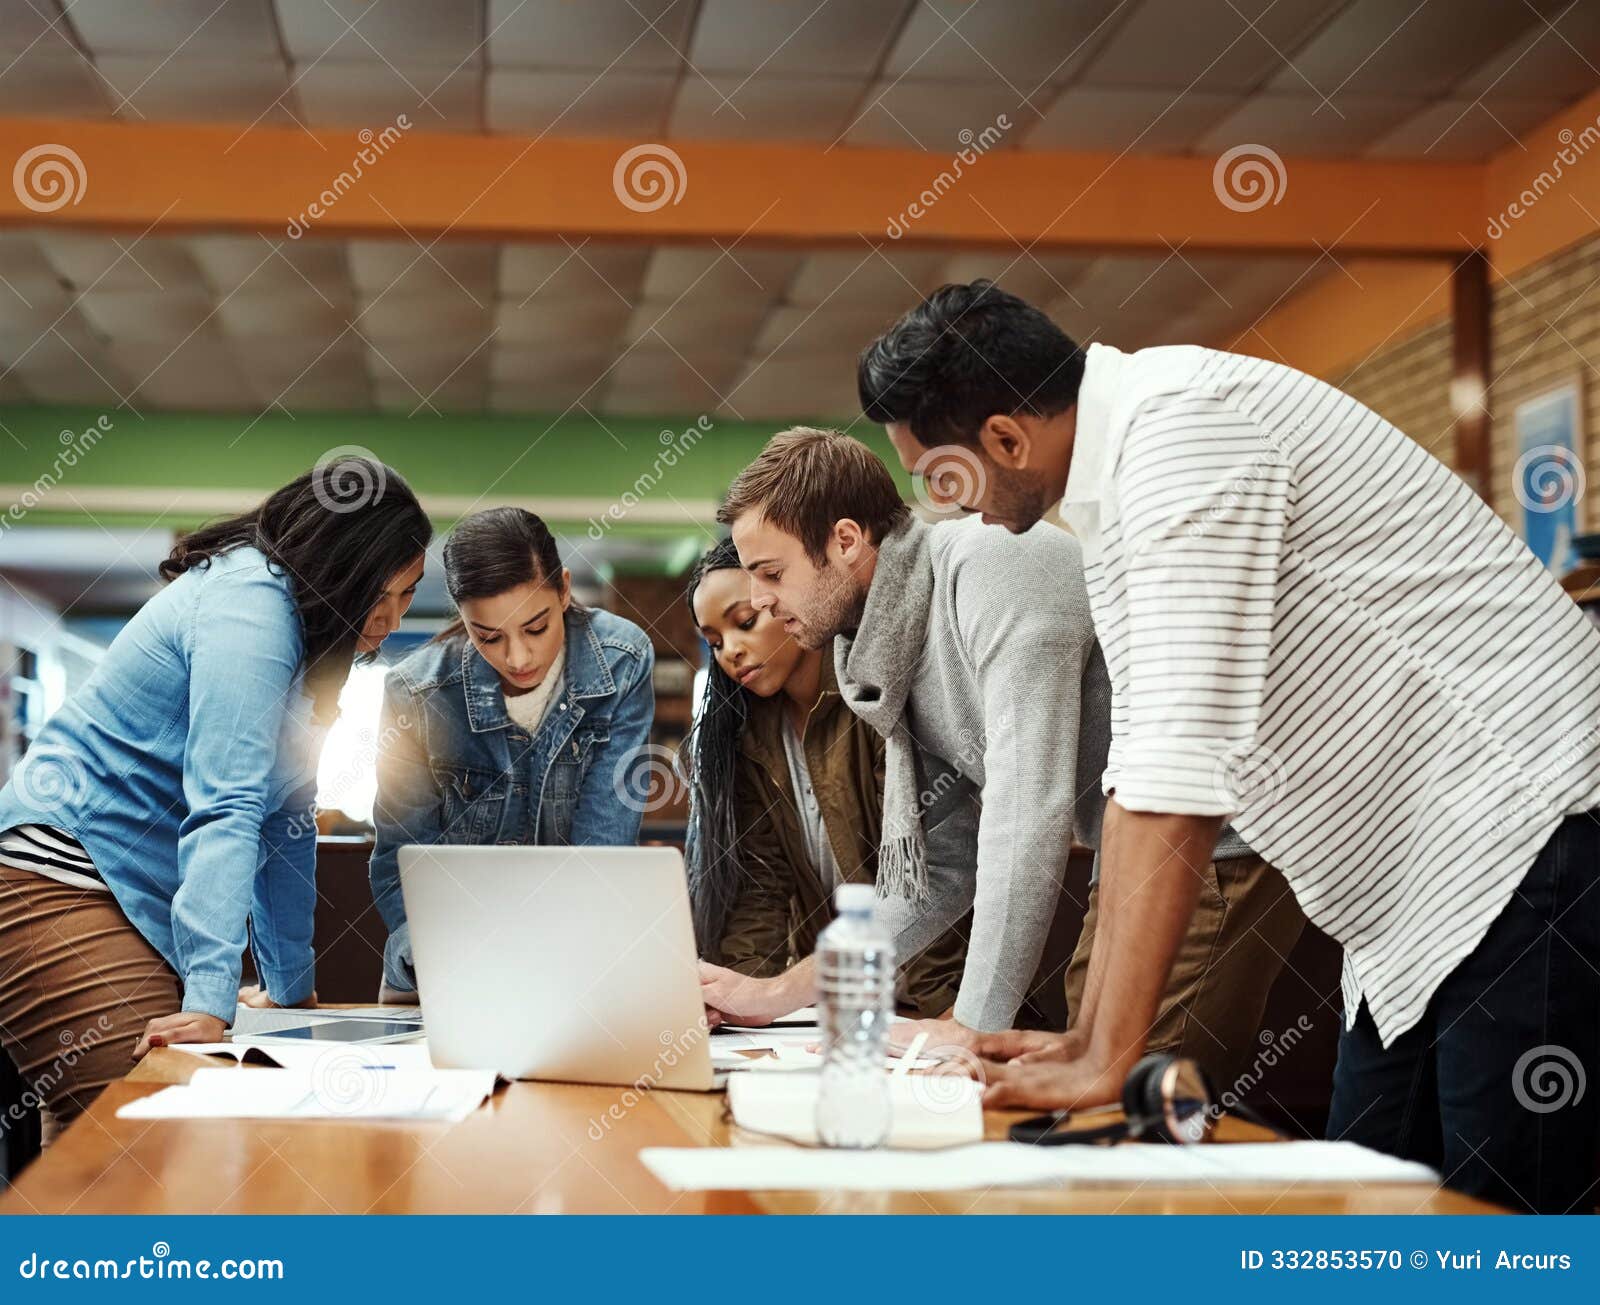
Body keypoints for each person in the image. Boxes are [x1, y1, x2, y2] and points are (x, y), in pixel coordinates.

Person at [857, 278, 1600, 1214]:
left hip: (1526, 838)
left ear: (1006, 438)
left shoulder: (1183, 437)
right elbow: (1135, 772)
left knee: (1509, 1233)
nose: (939, 504)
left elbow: (1179, 767)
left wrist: (1111, 1056)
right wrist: (1089, 1038)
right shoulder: (1117, 483)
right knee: (1371, 1218)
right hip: (1407, 913)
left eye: (939, 476)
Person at [699, 429, 1303, 1090]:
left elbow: (1029, 806)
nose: (758, 599)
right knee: (1088, 1085)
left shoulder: (994, 564)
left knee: (1128, 1096)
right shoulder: (880, 655)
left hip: (1218, 833)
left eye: (771, 573)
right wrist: (774, 994)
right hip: (1132, 848)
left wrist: (972, 1023)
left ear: (845, 541)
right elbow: (940, 871)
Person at [0, 457, 431, 1124]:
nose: (395, 618)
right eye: (386, 593)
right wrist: (208, 1000)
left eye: (411, 595)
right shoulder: (250, 604)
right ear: (343, 567)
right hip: (54, 873)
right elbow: (227, 803)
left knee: (151, 1123)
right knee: (153, 1110)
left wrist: (292, 994)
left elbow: (285, 817)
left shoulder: (321, 645)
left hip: (123, 894)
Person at [369, 507, 654, 1001]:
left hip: (574, 958)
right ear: (462, 618)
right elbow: (402, 857)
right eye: (489, 637)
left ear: (564, 589)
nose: (518, 658)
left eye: (537, 627)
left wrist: (545, 960)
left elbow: (601, 849)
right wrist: (434, 954)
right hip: (446, 965)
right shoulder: (415, 693)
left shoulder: (623, 661)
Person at [683, 537, 966, 1018]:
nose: (731, 651)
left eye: (745, 622)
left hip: (937, 1000)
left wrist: (949, 1016)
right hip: (840, 1003)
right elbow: (760, 890)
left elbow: (929, 876)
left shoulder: (878, 700)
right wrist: (737, 997)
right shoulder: (750, 737)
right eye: (714, 642)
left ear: (785, 601)